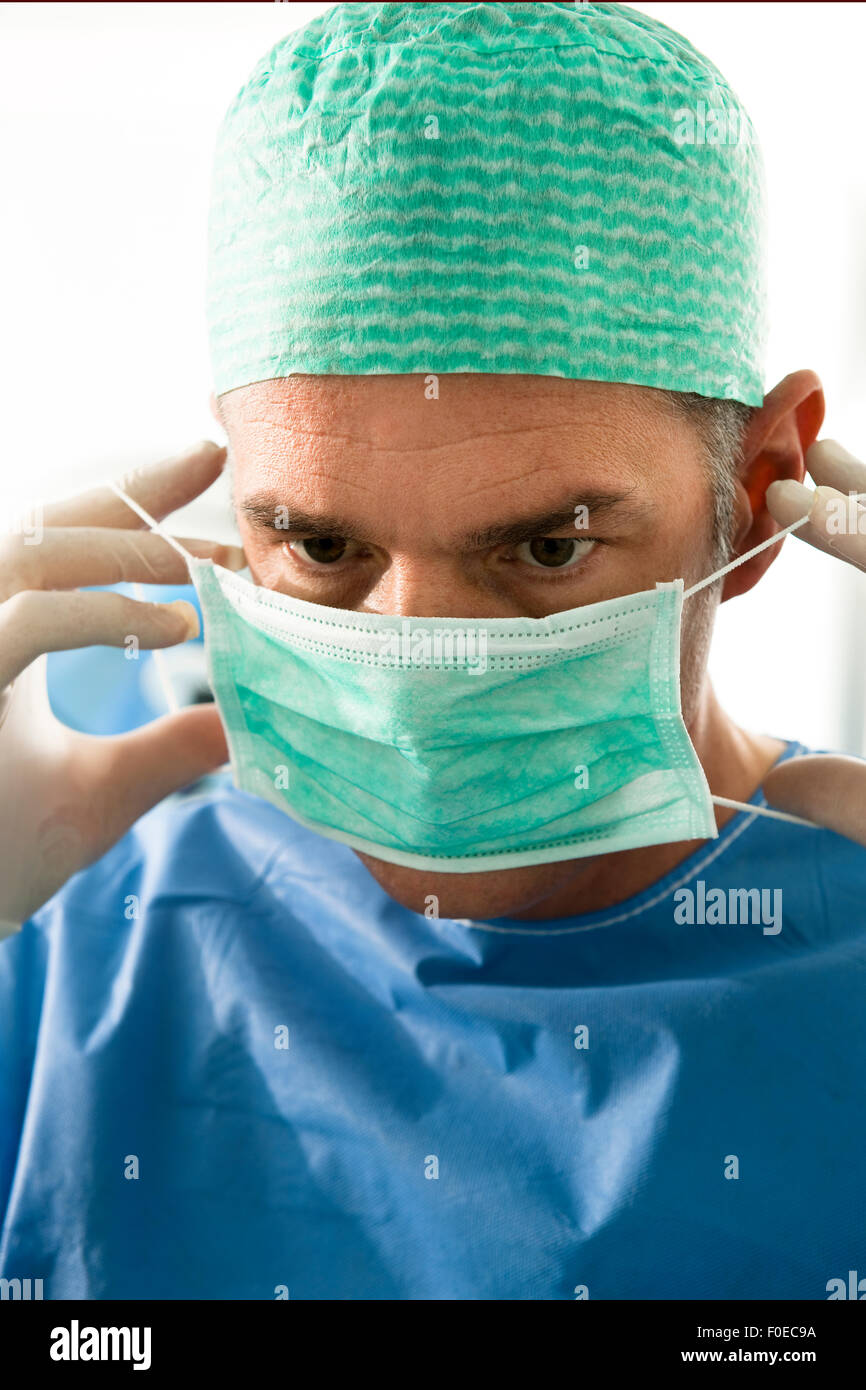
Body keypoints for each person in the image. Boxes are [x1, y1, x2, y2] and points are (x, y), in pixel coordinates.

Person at [0, 1, 864, 1301]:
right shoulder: (79, 942)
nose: (415, 684)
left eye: (546, 551)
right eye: (323, 550)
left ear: (756, 491)